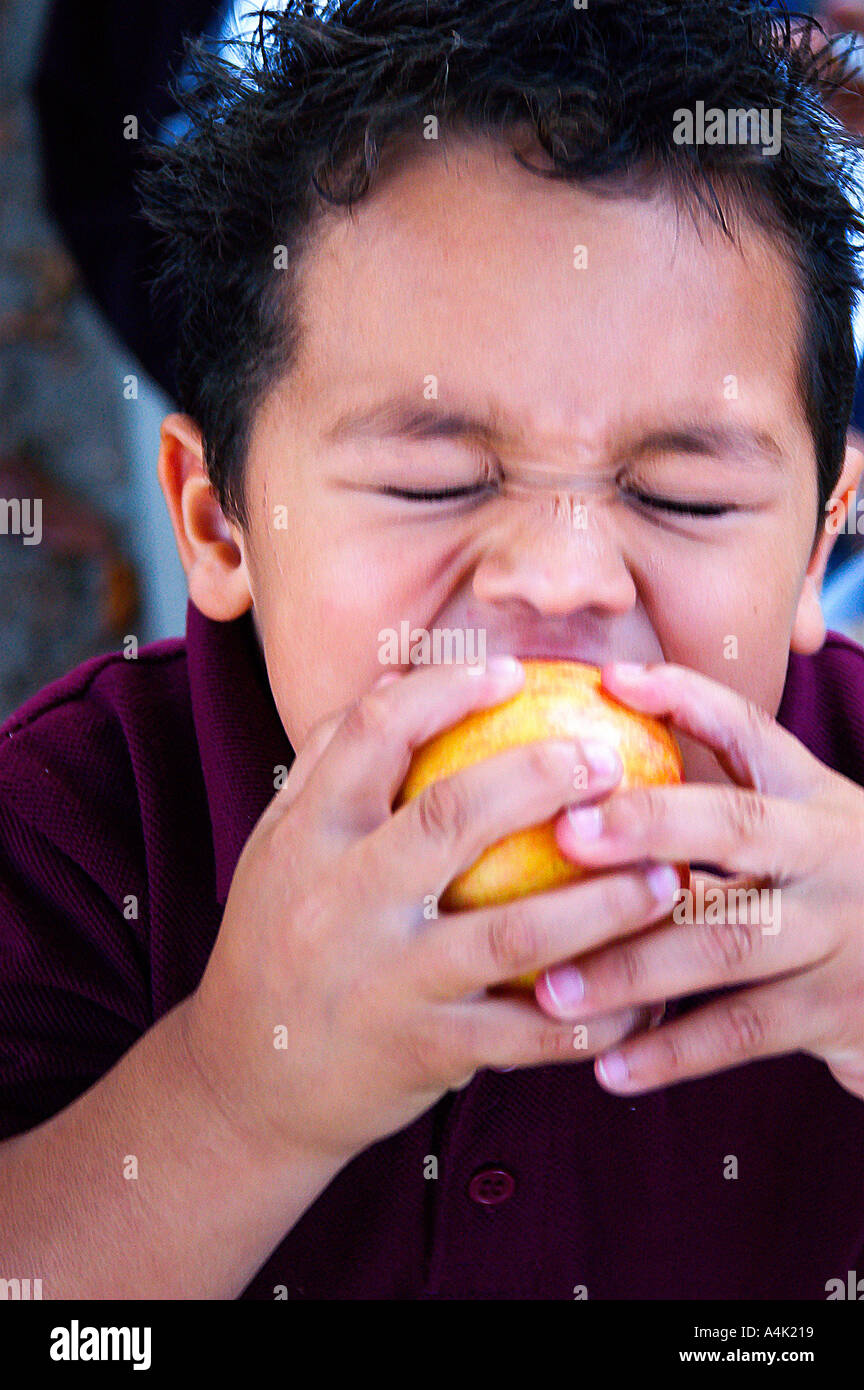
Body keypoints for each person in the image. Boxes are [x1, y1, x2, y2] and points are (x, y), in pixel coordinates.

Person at [3, 0, 864, 1300]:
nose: (563, 579)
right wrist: (237, 1100)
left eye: (683, 498)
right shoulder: (70, 831)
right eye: (436, 482)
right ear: (219, 521)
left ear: (815, 550)